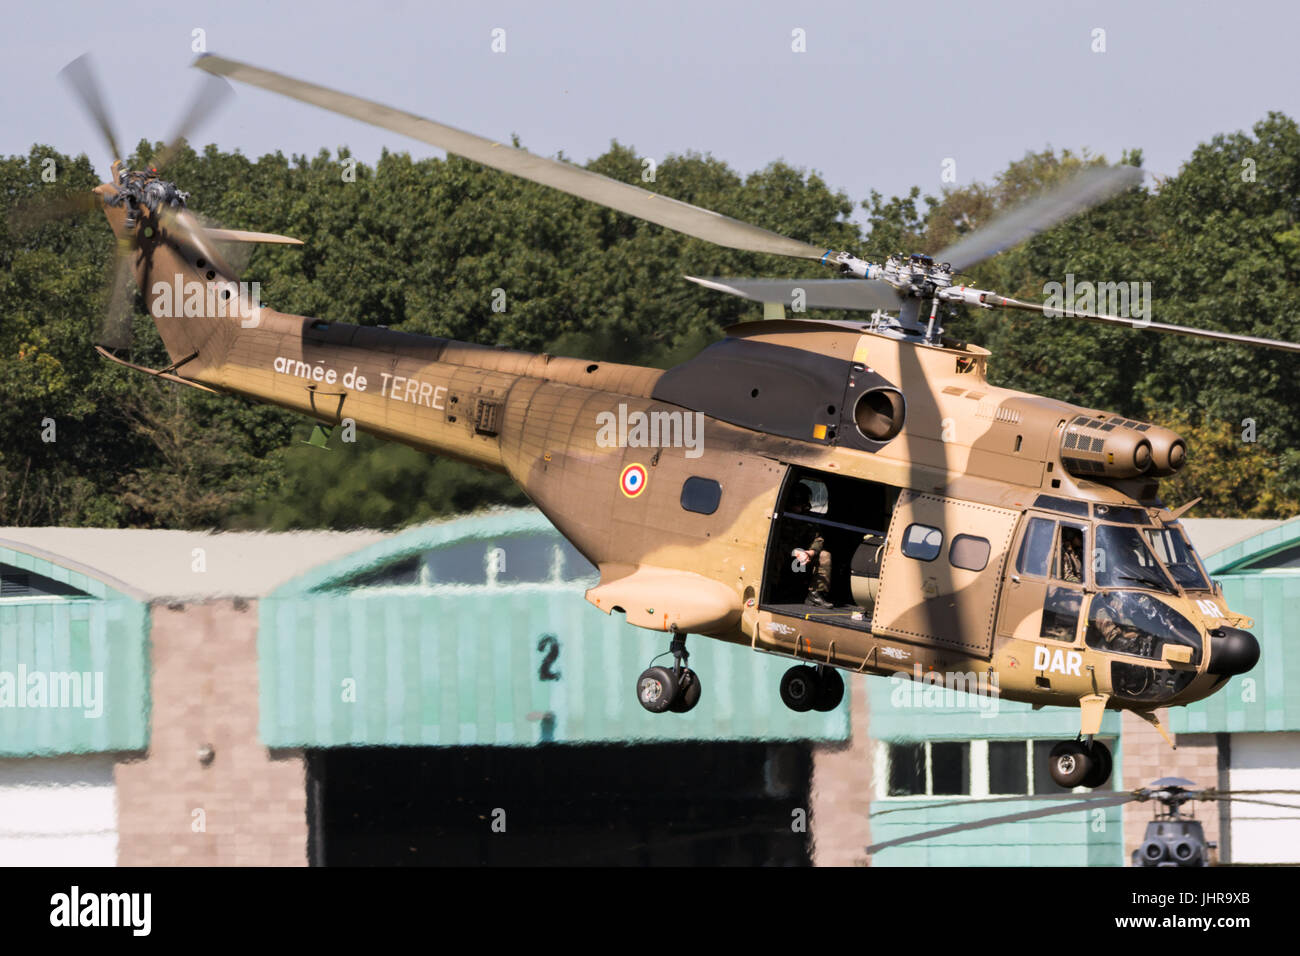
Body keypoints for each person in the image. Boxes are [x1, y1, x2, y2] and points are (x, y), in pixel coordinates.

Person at [783, 483, 833, 608]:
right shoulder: (781, 517)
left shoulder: (805, 518)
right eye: (800, 504)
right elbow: (776, 542)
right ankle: (773, 589)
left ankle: (815, 594)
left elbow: (818, 539)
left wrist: (811, 552)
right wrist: (796, 552)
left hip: (803, 554)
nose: (806, 507)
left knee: (825, 555)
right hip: (783, 552)